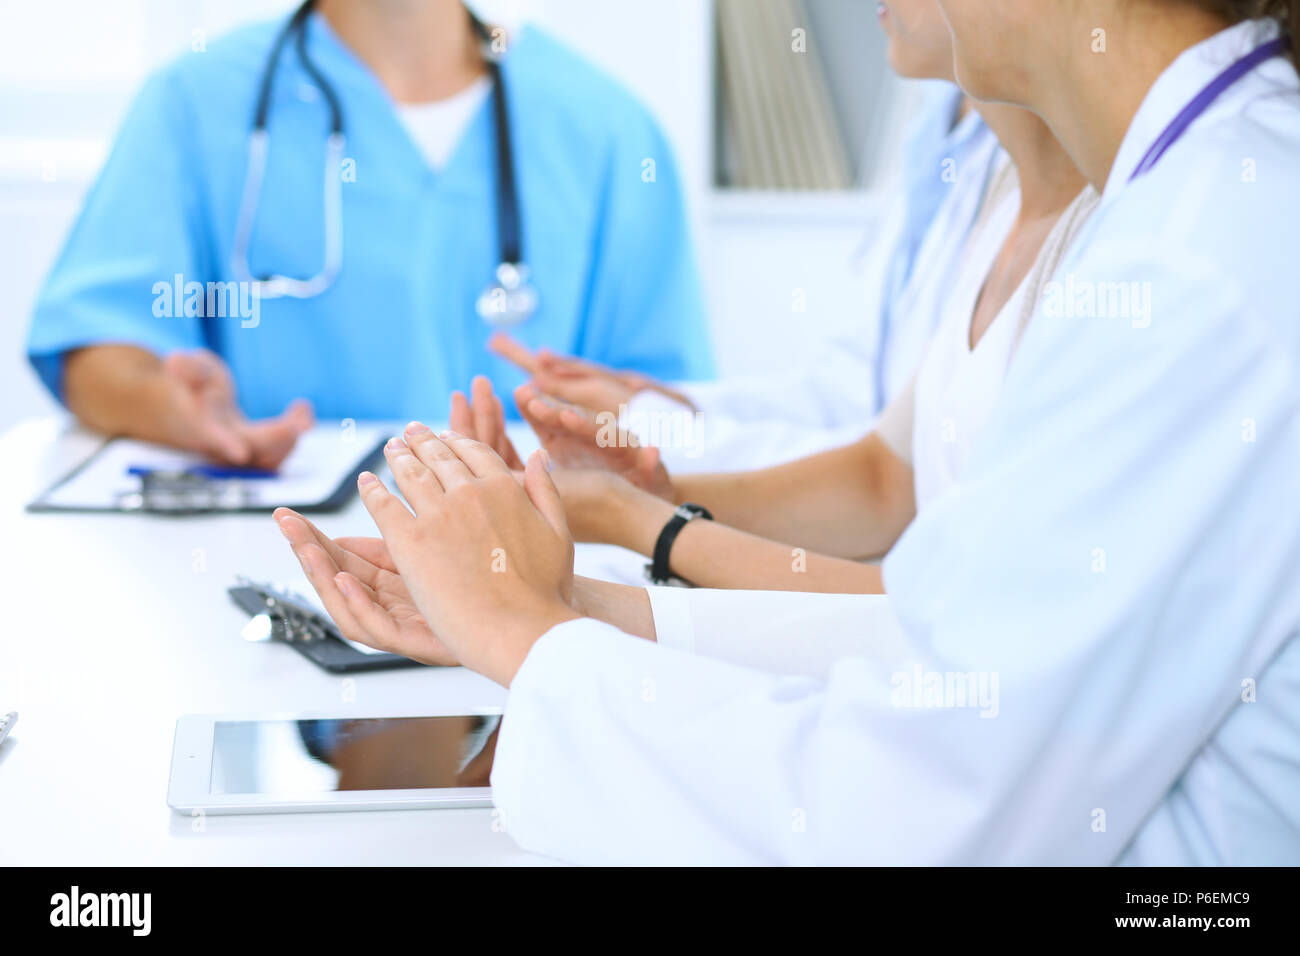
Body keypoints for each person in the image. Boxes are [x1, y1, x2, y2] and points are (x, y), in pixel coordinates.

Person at [282, 0, 1299, 865]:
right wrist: (562, 606)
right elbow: (937, 641)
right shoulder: (1183, 209)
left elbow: (912, 807)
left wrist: (524, 630)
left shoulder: (1196, 264)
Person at [25, 0, 710, 469]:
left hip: (544, 576)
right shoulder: (194, 99)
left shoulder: (608, 127)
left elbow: (669, 409)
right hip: (274, 552)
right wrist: (170, 408)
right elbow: (94, 346)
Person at [491, 32, 999, 471]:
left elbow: (890, 476)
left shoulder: (1027, 174)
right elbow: (849, 398)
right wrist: (655, 405)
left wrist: (646, 431)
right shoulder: (935, 127)